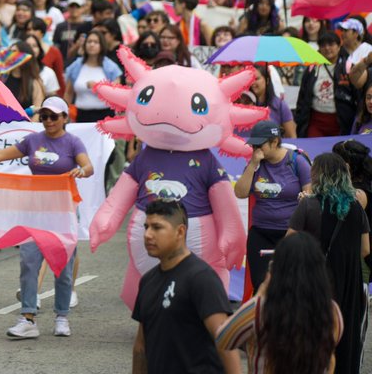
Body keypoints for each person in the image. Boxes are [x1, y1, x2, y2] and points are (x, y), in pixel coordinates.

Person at [0, 96, 91, 338]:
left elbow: (88, 166)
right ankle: (28, 317)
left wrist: (81, 170)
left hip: (63, 212)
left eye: (54, 116)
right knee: (28, 262)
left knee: (62, 265)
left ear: (64, 118)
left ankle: (62, 316)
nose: (49, 121)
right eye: (44, 116)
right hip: (35, 211)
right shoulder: (33, 140)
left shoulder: (72, 142)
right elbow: (0, 156)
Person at [131, 200, 237, 374]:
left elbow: (225, 341)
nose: (148, 235)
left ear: (180, 231)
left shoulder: (201, 278)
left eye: (157, 228)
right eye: (146, 227)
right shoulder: (148, 281)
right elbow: (141, 347)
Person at [288, 152, 370, 374]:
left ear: (318, 175)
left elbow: (290, 243)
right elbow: (365, 249)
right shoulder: (356, 208)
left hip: (315, 282)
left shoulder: (308, 205)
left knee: (313, 337)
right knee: (346, 337)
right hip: (349, 284)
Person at [215, 232, 343, 374]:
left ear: (278, 270)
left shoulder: (260, 309)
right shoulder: (332, 311)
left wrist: (260, 292)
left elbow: (222, 338)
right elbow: (330, 358)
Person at [232, 120, 311, 288]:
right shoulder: (256, 163)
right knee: (261, 285)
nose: (255, 150)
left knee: (290, 284)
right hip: (261, 233)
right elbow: (240, 192)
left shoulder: (297, 161)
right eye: (253, 146)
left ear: (275, 142)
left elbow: (310, 196)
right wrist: (253, 164)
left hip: (290, 233)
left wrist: (305, 197)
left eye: (259, 145)